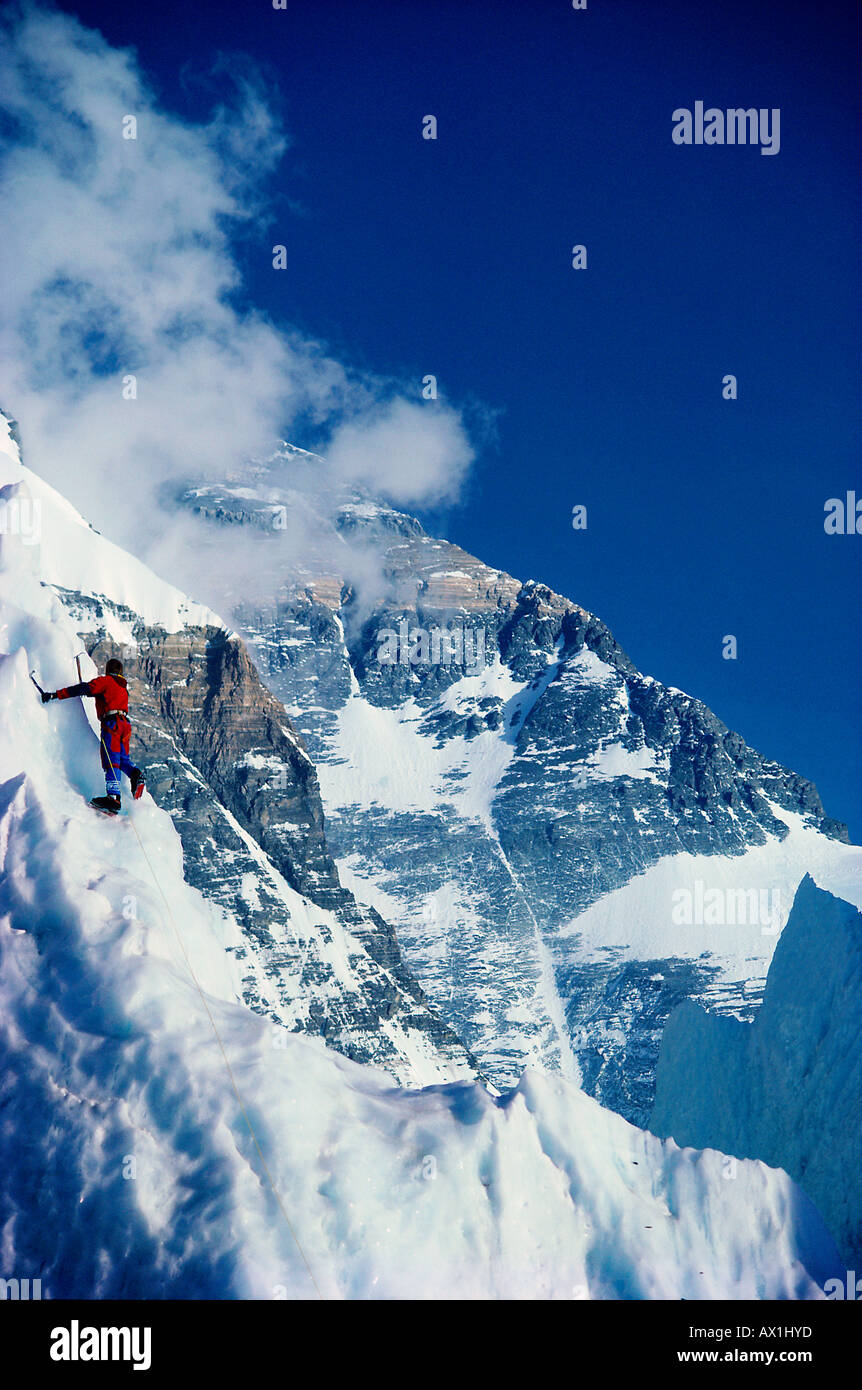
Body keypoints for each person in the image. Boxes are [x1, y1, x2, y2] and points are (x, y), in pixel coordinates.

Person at [42, 658, 146, 813]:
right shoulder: (123, 688)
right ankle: (135, 774)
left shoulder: (106, 681)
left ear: (108, 670)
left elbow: (84, 689)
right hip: (125, 724)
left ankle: (113, 798)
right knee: (123, 758)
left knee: (111, 759)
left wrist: (55, 695)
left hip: (112, 724)